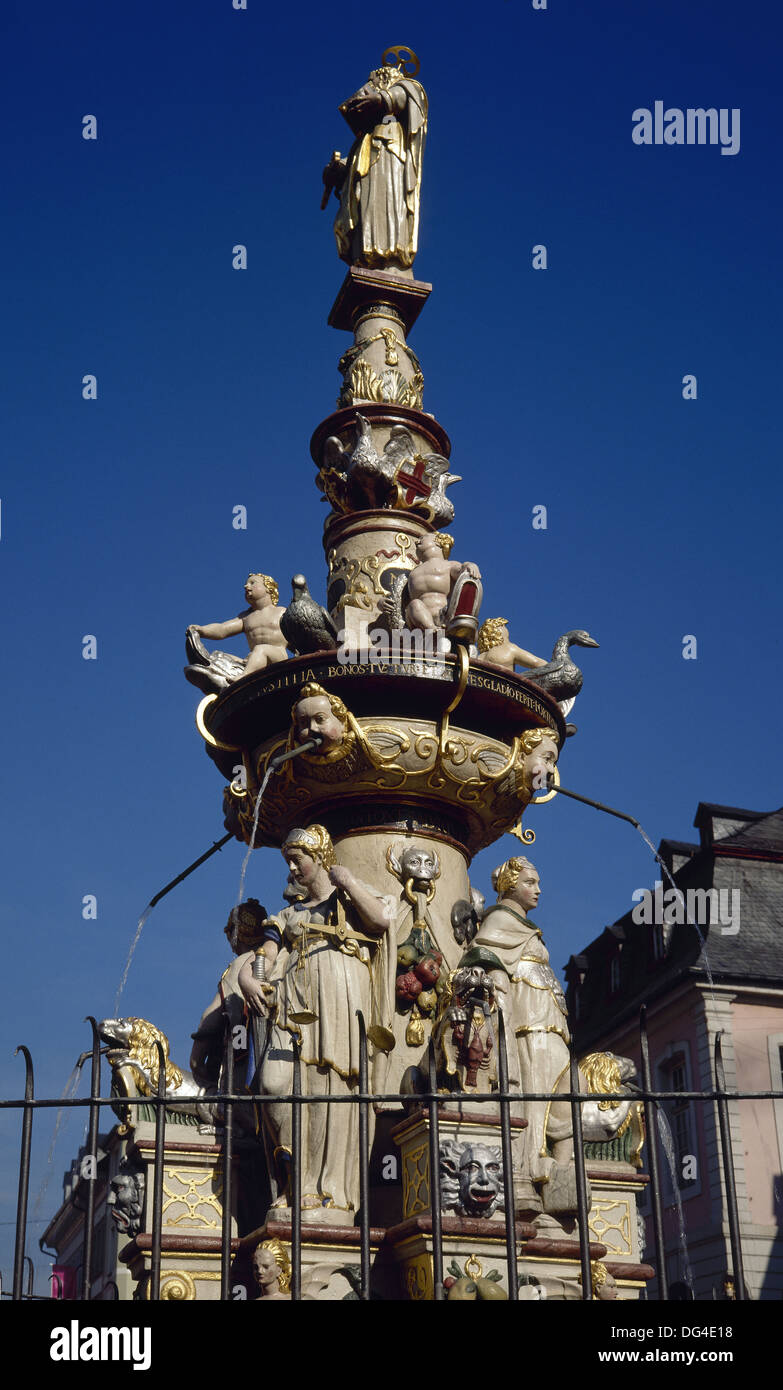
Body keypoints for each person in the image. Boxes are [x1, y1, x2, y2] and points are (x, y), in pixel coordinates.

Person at [238, 825, 395, 1218]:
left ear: (321, 857)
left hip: (343, 996)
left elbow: (380, 921)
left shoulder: (350, 899)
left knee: (335, 1086)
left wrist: (349, 880)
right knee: (277, 1084)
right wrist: (249, 977)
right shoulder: (289, 915)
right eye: (288, 861)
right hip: (298, 1003)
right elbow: (267, 955)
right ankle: (298, 1180)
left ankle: (329, 1190)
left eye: (298, 859)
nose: (292, 868)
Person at [460, 857, 572, 1194]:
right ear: (510, 885)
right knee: (536, 1089)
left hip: (550, 1020)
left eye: (537, 883)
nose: (537, 890)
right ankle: (532, 1160)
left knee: (562, 1089)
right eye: (530, 882)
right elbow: (481, 955)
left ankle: (559, 1162)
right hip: (530, 1022)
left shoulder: (521, 926)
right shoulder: (498, 922)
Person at [323, 57, 428, 274]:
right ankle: (365, 255)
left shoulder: (407, 92)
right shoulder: (364, 140)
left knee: (385, 203)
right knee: (366, 206)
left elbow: (405, 96)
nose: (368, 89)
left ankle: (387, 257)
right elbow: (354, 165)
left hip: (389, 160)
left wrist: (383, 100)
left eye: (374, 84)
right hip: (370, 166)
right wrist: (336, 171)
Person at [192, 573, 287, 679]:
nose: (246, 586)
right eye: (246, 584)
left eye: (252, 583)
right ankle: (214, 676)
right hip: (254, 660)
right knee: (218, 656)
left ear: (268, 588)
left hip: (278, 657)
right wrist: (201, 630)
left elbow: (299, 634)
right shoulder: (246, 617)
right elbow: (222, 629)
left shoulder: (281, 613)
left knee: (261, 649)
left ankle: (244, 677)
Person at [401, 534, 481, 632]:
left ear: (438, 542)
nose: (417, 542)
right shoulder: (411, 574)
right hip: (417, 619)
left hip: (444, 616)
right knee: (414, 604)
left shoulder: (449, 565)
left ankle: (435, 631)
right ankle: (432, 630)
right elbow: (402, 600)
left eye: (422, 538)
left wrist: (469, 565)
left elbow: (462, 571)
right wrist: (382, 603)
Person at [475, 618, 547, 675]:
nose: (506, 629)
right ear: (498, 630)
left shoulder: (478, 657)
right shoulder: (509, 648)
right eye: (503, 626)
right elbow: (538, 663)